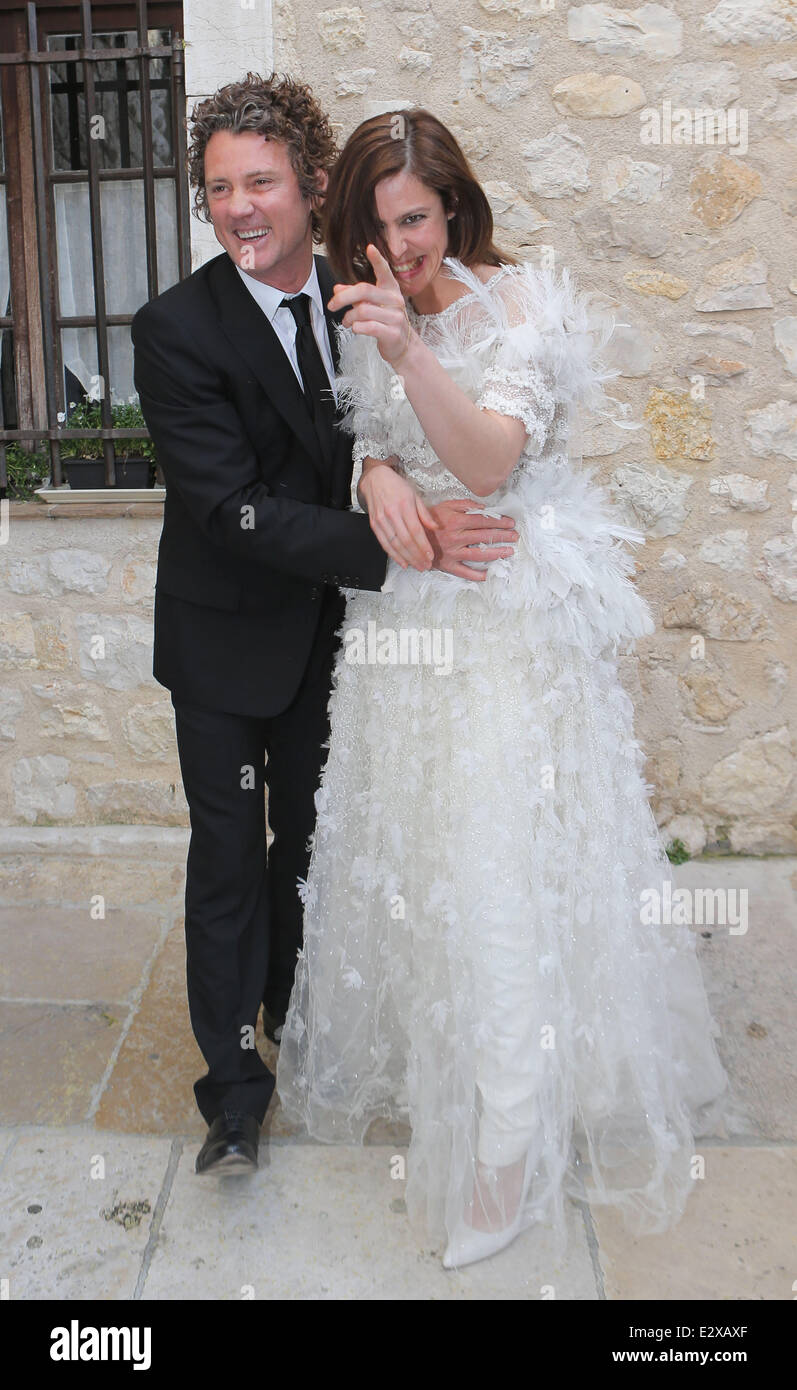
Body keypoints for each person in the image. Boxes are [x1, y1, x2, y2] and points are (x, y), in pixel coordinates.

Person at [276, 107, 742, 1268]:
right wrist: (376, 473)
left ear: (454, 205)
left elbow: (490, 460)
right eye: (380, 225)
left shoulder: (523, 307)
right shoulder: (368, 317)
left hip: (506, 630)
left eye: (418, 218)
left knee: (499, 874)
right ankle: (474, 1074)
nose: (403, 243)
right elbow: (369, 438)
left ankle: (508, 1143)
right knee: (430, 863)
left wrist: (409, 359)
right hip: (407, 633)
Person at [130, 76, 518, 1177]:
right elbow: (230, 506)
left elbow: (380, 427)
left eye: (259, 182)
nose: (239, 208)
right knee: (227, 857)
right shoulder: (172, 328)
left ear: (307, 185)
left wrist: (393, 467)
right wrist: (399, 536)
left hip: (334, 646)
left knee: (309, 845)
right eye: (217, 190)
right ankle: (234, 1095)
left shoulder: (364, 294)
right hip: (218, 644)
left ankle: (295, 1015)